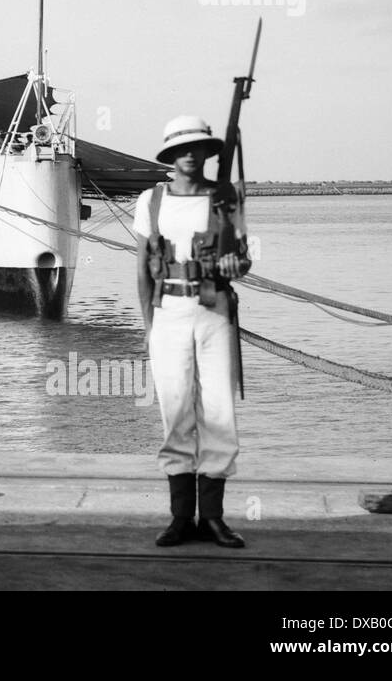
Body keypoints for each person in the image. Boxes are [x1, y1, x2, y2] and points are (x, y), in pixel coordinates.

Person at [134, 115, 251, 549]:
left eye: (197, 147)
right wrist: (148, 326)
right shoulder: (150, 200)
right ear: (170, 155)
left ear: (207, 152)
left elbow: (242, 258)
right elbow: (143, 267)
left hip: (214, 313)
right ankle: (181, 517)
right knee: (175, 413)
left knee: (220, 413)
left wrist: (234, 265)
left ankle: (214, 518)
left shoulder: (226, 198)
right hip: (168, 314)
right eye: (181, 148)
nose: (189, 154)